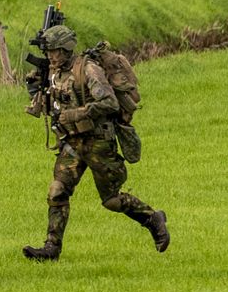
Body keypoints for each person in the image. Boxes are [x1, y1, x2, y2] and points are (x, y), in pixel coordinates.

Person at [22, 24, 168, 261]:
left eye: (54, 51)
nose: (50, 56)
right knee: (57, 191)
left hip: (98, 142)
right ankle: (51, 248)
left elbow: (109, 103)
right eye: (48, 52)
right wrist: (35, 92)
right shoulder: (53, 72)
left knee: (111, 200)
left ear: (66, 49)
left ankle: (153, 219)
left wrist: (77, 114)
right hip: (72, 143)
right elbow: (54, 103)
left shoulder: (88, 69)